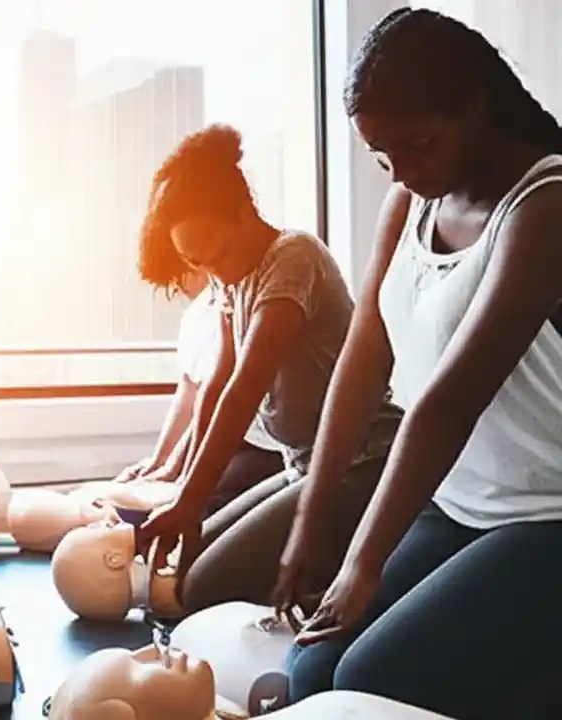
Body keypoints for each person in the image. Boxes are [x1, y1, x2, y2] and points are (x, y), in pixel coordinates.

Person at [279, 9, 562, 718]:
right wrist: (311, 519)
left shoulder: (546, 203)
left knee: (375, 678)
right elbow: (364, 351)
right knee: (313, 669)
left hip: (545, 516)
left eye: (417, 145)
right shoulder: (412, 198)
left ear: (475, 107)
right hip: (459, 505)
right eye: (382, 158)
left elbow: (448, 400)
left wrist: (361, 562)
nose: (399, 172)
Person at [134, 124, 400, 615]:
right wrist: (184, 492)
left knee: (202, 589)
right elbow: (217, 382)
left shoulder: (292, 258)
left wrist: (193, 500)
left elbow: (247, 382)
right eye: (200, 263)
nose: (217, 273)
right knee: (183, 569)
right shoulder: (231, 282)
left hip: (360, 464)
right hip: (300, 465)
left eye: (220, 254)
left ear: (245, 212)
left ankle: (333, 571)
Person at [113, 267, 285, 520]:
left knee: (202, 495)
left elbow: (221, 398)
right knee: (143, 492)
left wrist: (180, 472)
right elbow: (188, 395)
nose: (178, 287)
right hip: (231, 434)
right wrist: (158, 461)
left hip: (263, 443)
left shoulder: (241, 304)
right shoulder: (195, 316)